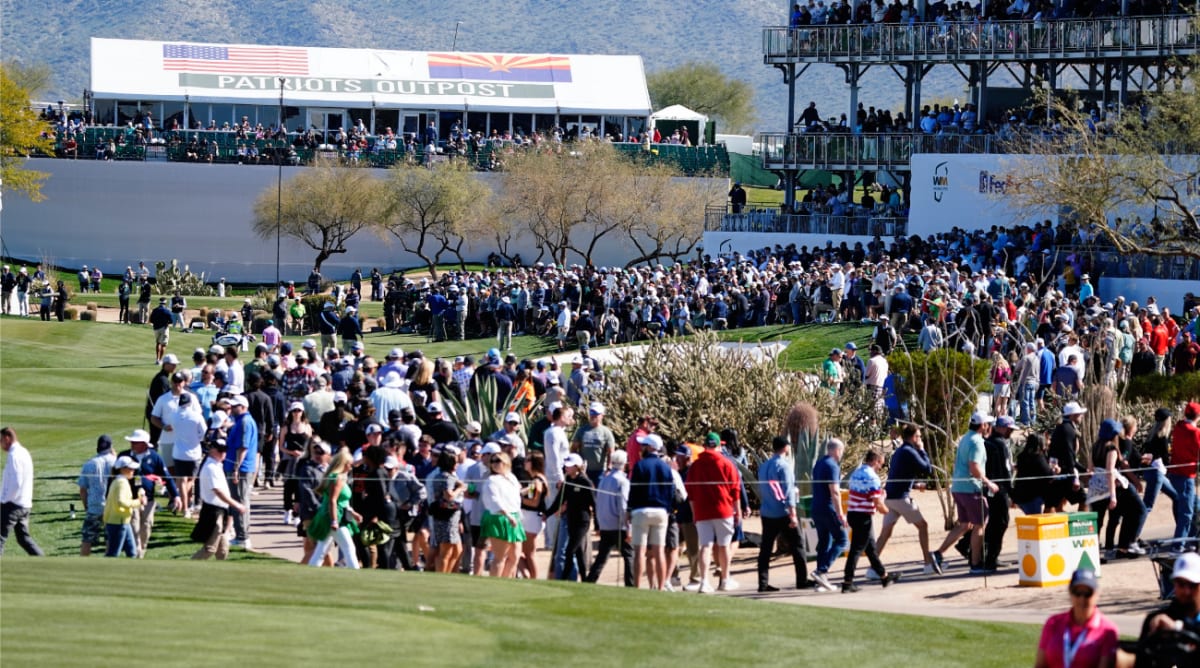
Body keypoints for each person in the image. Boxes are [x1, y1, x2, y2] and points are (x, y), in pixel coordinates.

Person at [932, 412, 998, 574]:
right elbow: (974, 466)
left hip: (958, 487)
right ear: (982, 425)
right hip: (971, 488)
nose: (989, 426)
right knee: (980, 524)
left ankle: (938, 554)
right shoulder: (977, 442)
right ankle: (975, 564)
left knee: (965, 524)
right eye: (987, 424)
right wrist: (988, 483)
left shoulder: (966, 438)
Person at [875, 424, 939, 574]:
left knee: (886, 533)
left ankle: (873, 568)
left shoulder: (900, 451)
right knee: (923, 526)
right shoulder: (910, 451)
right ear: (913, 437)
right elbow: (927, 468)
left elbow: (901, 474)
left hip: (891, 497)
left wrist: (915, 485)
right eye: (919, 436)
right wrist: (922, 449)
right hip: (900, 498)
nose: (920, 439)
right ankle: (928, 564)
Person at [685, 431, 743, 593]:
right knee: (724, 545)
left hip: (702, 511)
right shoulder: (727, 463)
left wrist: (694, 512)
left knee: (705, 546)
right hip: (724, 510)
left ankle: (704, 582)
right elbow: (735, 490)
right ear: (718, 446)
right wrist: (737, 512)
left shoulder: (696, 465)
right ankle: (725, 579)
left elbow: (690, 492)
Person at [1088, 418, 1148, 559]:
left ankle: (1096, 553)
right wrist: (1113, 496)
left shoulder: (1095, 446)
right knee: (1134, 511)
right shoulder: (1112, 448)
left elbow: (1090, 469)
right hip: (1111, 487)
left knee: (1098, 522)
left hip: (1096, 489)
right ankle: (1125, 545)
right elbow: (1110, 471)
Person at [1034, 569, 1119, 668]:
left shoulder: (1107, 630)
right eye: (1077, 592)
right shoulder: (1053, 623)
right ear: (1070, 593)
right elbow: (1040, 665)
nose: (1082, 598)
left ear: (1097, 594)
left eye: (1088, 593)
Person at [843, 449, 900, 592]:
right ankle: (847, 582)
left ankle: (884, 576)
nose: (881, 466)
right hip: (863, 516)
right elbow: (877, 502)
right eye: (880, 463)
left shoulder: (856, 473)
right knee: (857, 549)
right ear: (875, 461)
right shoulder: (872, 477)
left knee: (871, 548)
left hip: (853, 513)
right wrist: (884, 503)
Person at [756, 436, 808, 592]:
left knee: (765, 548)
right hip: (783, 512)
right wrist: (792, 513)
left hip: (767, 511)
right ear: (785, 448)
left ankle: (763, 583)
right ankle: (802, 580)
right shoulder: (784, 466)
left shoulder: (764, 467)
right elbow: (788, 491)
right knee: (798, 545)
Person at [626, 434, 674, 590]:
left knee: (640, 551)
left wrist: (629, 509)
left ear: (651, 447)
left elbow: (633, 490)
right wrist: (668, 509)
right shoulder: (666, 467)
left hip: (641, 510)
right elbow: (670, 492)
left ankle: (638, 587)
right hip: (661, 512)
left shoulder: (640, 465)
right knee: (659, 551)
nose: (641, 448)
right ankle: (660, 587)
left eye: (644, 445)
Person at [1135, 552, 1200, 665]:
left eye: (1192, 585)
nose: (1186, 591)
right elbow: (1142, 661)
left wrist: (1177, 629)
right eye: (1181, 584)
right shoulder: (1157, 621)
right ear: (1174, 584)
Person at [191, 440, 247, 560]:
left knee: (223, 550)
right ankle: (189, 566)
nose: (223, 454)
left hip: (222, 510)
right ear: (212, 450)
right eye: (220, 451)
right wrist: (236, 505)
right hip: (213, 512)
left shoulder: (217, 465)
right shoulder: (210, 467)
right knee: (210, 549)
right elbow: (218, 491)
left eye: (225, 451)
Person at [543, 453, 595, 581]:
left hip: (582, 521)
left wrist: (599, 524)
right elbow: (558, 501)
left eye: (570, 466)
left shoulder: (585, 482)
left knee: (570, 550)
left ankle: (564, 579)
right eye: (566, 466)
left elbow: (594, 502)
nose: (567, 468)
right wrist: (547, 514)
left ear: (577, 467)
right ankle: (585, 578)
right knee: (576, 551)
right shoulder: (568, 481)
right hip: (571, 519)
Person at [307, 448, 362, 568]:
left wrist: (353, 513)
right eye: (350, 465)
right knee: (349, 547)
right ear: (344, 464)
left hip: (335, 515)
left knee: (322, 548)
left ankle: (311, 570)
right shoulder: (337, 478)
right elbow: (333, 500)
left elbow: (343, 501)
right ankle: (355, 572)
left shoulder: (339, 477)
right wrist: (334, 520)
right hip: (334, 517)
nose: (351, 467)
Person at [586, 449, 633, 587]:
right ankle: (630, 584)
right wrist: (627, 526)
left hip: (606, 523)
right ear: (625, 463)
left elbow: (598, 503)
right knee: (629, 555)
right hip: (618, 524)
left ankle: (590, 581)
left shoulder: (604, 480)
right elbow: (623, 505)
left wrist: (599, 524)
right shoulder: (623, 481)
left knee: (602, 557)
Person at [810, 438, 848, 591]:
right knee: (842, 540)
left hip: (816, 508)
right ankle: (822, 570)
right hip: (828, 508)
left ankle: (821, 580)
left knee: (824, 542)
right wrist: (841, 514)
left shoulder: (819, 463)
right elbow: (835, 492)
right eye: (841, 451)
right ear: (836, 450)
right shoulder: (832, 466)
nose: (841, 455)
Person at [480, 451, 526, 578]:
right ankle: (495, 583)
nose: (494, 464)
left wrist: (532, 487)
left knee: (515, 555)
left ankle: (506, 581)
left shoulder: (511, 477)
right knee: (500, 556)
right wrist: (508, 515)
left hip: (515, 515)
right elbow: (495, 500)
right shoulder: (491, 480)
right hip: (499, 517)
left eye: (498, 461)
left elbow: (517, 493)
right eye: (492, 461)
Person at [0, 427, 45, 557]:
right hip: (25, 504)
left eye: (0, 440)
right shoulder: (24, 452)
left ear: (7, 438)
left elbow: (16, 482)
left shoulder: (14, 456)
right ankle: (43, 562)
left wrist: (4, 501)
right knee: (23, 539)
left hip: (12, 505)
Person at [224, 395, 259, 549]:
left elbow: (243, 447)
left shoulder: (245, 422)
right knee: (236, 500)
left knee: (240, 501)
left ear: (243, 407)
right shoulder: (240, 421)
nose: (232, 408)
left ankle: (243, 537)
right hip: (238, 467)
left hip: (241, 468)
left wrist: (236, 468)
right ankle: (240, 534)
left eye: (235, 406)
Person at [77, 435, 116, 556]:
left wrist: (86, 507)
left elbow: (83, 489)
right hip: (112, 507)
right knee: (110, 538)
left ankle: (83, 563)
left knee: (87, 538)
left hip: (94, 505)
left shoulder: (89, 464)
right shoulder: (116, 462)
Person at [1168, 402, 1200, 539]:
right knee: (1187, 512)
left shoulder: (1178, 427)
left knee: (1195, 505)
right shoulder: (1195, 432)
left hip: (1175, 473)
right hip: (1186, 475)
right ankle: (1179, 544)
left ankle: (1194, 537)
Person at [104, 455, 144, 558]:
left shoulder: (119, 481)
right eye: (131, 468)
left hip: (123, 521)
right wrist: (139, 502)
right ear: (123, 469)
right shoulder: (121, 482)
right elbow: (121, 502)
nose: (133, 471)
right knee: (113, 553)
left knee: (132, 553)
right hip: (118, 522)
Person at [1139, 407, 1178, 513]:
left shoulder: (1152, 435)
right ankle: (1134, 529)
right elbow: (1165, 458)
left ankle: (1181, 526)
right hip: (1156, 473)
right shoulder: (1163, 437)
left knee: (1176, 496)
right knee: (1147, 507)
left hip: (1152, 471)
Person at [1013, 434, 1058, 515]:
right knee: (1035, 519)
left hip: (1020, 494)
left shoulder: (1021, 457)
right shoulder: (1038, 457)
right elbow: (1049, 475)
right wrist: (1055, 470)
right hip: (1033, 496)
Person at [573, 401, 615, 483]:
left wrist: (609, 468)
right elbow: (574, 449)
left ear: (602, 415)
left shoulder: (606, 432)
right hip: (584, 470)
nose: (593, 416)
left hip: (600, 472)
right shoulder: (582, 430)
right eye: (591, 413)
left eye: (596, 413)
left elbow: (611, 452)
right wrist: (577, 465)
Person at [149, 297, 173, 364]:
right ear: (165, 303)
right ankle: (160, 360)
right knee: (163, 344)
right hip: (164, 328)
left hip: (156, 328)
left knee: (158, 343)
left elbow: (151, 320)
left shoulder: (155, 310)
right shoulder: (167, 310)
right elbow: (171, 321)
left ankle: (157, 359)